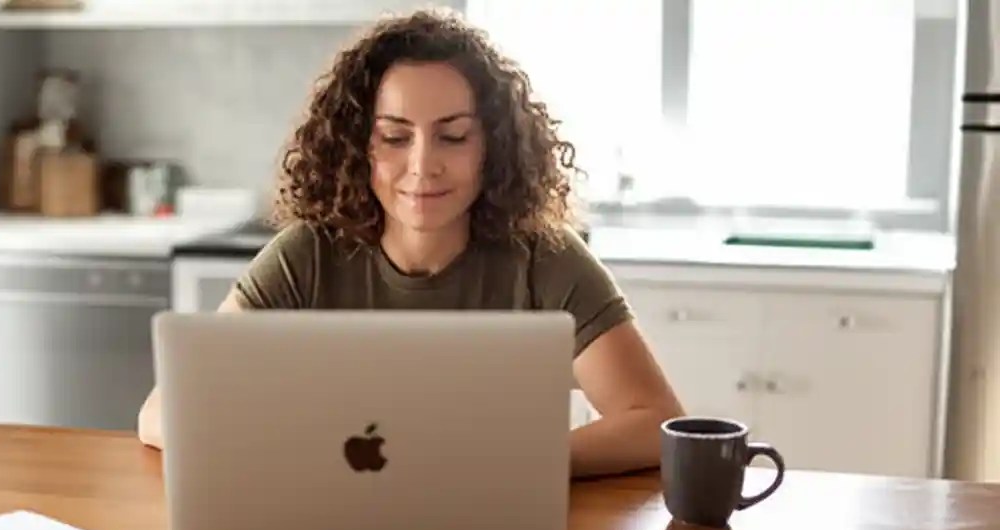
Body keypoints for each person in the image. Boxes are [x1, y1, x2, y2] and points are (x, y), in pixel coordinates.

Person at [138, 9, 684, 477]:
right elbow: (160, 414)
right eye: (395, 137)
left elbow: (653, 420)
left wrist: (521, 466)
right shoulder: (307, 255)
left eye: (453, 136)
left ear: (492, 146)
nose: (423, 166)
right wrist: (284, 455)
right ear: (359, 147)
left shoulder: (547, 257)